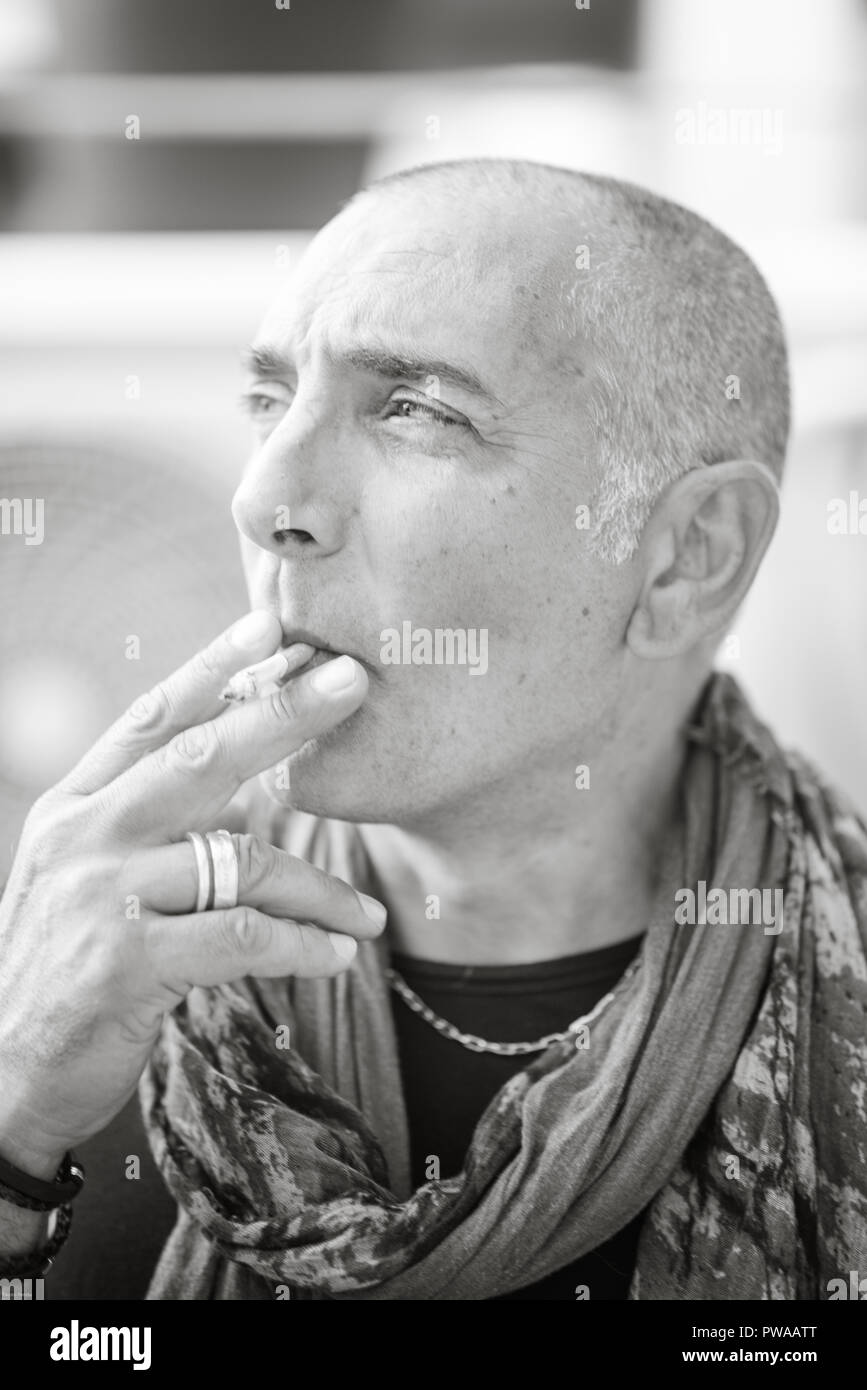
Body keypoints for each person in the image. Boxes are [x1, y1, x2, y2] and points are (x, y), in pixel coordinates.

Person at [1, 160, 864, 1301]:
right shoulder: (77, 978)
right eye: (270, 402)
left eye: (417, 409)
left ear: (686, 556)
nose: (264, 499)